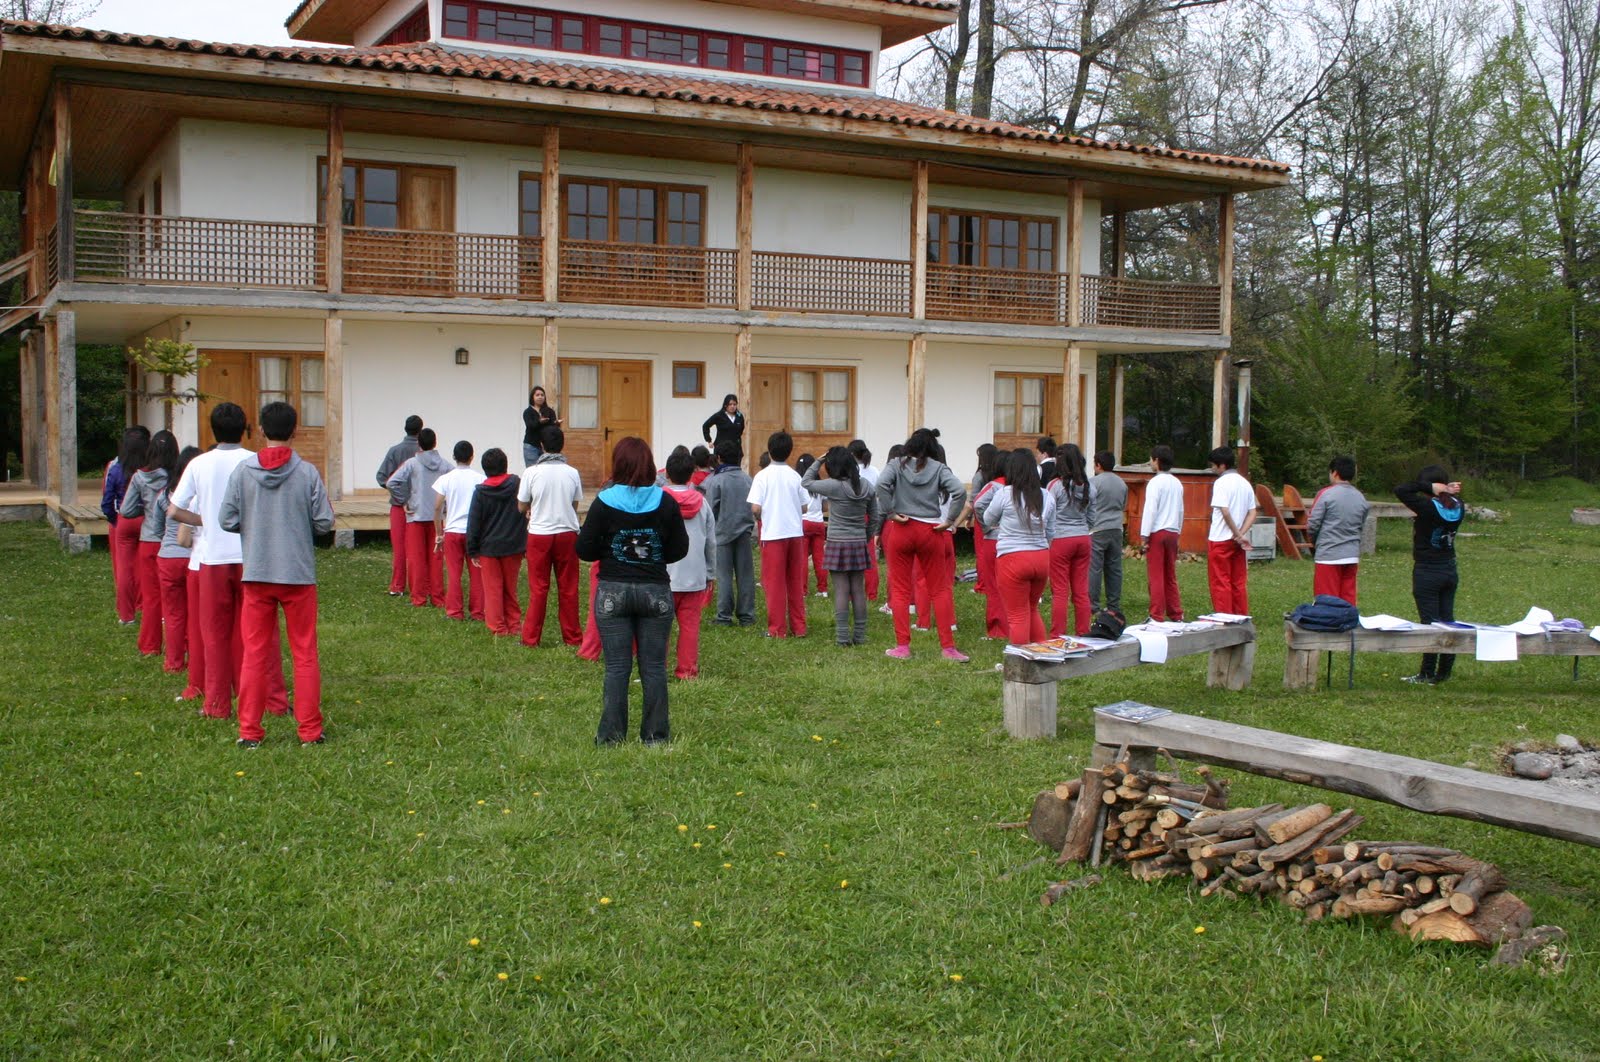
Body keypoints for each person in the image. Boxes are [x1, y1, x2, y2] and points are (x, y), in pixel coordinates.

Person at [219, 401, 334, 748]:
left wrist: (254, 526)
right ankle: (309, 730)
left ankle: (249, 731)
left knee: (255, 653)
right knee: (304, 652)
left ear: (260, 430)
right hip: (297, 573)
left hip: (257, 571)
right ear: (294, 431)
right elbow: (324, 521)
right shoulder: (307, 473)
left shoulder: (243, 472)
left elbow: (227, 519)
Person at [168, 403, 287, 721]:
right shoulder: (255, 461)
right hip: (251, 557)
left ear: (213, 430)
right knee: (263, 632)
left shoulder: (198, 464)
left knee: (214, 635)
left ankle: (217, 704)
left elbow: (175, 509)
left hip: (212, 559)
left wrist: (206, 520)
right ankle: (273, 699)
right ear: (246, 429)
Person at [576, 437, 689, 745]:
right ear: (650, 465)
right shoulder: (665, 502)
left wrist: (609, 551)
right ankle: (655, 736)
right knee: (654, 668)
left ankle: (611, 737)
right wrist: (654, 555)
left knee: (616, 667)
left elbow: (584, 549)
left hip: (613, 591)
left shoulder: (604, 501)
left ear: (618, 464)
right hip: (655, 591)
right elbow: (679, 548)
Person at [876, 428, 967, 661]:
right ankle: (948, 648)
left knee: (900, 589)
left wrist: (890, 513)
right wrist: (950, 520)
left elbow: (881, 485)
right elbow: (959, 491)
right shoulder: (939, 468)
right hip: (930, 530)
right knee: (940, 589)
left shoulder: (896, 464)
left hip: (902, 528)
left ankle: (902, 647)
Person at [802, 446, 880, 646]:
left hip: (837, 543)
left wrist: (819, 460)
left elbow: (806, 481)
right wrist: (866, 536)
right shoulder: (866, 486)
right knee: (858, 589)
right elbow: (874, 517)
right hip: (858, 541)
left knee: (841, 589)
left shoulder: (833, 486)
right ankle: (860, 636)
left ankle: (842, 637)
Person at [1396, 465, 1464, 685]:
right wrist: (1443, 490)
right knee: (1447, 621)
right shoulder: (1458, 505)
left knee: (1430, 624)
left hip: (1427, 571)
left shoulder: (1426, 506)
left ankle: (1426, 673)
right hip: (1449, 569)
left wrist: (1428, 487)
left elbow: (1401, 489)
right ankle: (1444, 672)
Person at [981, 449, 1056, 645]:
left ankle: (1019, 660)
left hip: (1012, 557)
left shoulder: (1005, 493)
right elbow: (1051, 531)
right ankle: (1041, 655)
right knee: (1032, 608)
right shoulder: (1046, 495)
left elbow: (987, 518)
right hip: (1041, 557)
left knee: (1017, 615)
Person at [518, 425, 584, 647]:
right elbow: (574, 504)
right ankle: (573, 637)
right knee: (568, 588)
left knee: (538, 588)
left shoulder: (531, 472)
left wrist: (532, 508)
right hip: (566, 532)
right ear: (562, 445)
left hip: (539, 533)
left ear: (541, 446)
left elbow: (521, 505)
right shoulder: (572, 472)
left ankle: (530, 638)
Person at [119, 429, 179, 657]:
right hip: (172, 542)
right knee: (176, 598)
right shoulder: (177, 477)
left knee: (151, 596)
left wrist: (144, 510)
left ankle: (150, 645)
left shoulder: (140, 477)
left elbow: (126, 510)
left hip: (148, 541)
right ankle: (179, 644)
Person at [747, 431, 808, 638]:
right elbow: (805, 507)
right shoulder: (795, 476)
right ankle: (799, 627)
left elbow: (755, 508)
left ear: (770, 450)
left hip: (773, 534)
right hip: (795, 533)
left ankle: (777, 629)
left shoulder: (762, 476)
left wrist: (762, 516)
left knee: (774, 583)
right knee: (794, 581)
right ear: (789, 451)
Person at [663, 447, 717, 678]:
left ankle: (657, 667)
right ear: (692, 474)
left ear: (666, 473)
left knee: (659, 627)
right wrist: (710, 572)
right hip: (694, 575)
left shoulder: (658, 501)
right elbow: (711, 542)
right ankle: (687, 670)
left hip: (663, 575)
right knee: (690, 626)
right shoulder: (702, 503)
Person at [148, 444, 200, 678]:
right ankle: (196, 657)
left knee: (173, 613)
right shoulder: (200, 494)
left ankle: (173, 661)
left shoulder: (165, 495)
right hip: (193, 558)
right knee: (195, 612)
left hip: (168, 558)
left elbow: (157, 527)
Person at [386, 428, 451, 609]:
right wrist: (446, 504)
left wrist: (404, 500)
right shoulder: (445, 465)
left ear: (419, 444)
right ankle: (438, 597)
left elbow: (391, 482)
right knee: (436, 558)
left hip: (416, 515)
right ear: (435, 443)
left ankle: (419, 597)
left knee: (416, 559)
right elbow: (454, 481)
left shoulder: (412, 463)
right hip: (436, 517)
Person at [465, 449, 525, 637]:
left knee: (492, 589)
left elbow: (474, 522)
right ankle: (514, 624)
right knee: (510, 588)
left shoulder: (480, 492)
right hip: (513, 545)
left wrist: (472, 549)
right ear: (505, 464)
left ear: (484, 468)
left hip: (489, 547)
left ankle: (498, 627)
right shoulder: (517, 484)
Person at [704, 439, 756, 627]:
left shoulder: (716, 481)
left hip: (722, 533)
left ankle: (724, 616)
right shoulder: (748, 479)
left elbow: (710, 510)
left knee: (724, 575)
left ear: (718, 458)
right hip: (744, 532)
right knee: (746, 575)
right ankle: (747, 615)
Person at [432, 440, 486, 622]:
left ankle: (454, 611)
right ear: (472, 457)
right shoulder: (480, 479)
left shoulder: (446, 479)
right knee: (477, 573)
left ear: (454, 457)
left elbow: (437, 507)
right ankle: (478, 611)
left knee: (454, 573)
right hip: (473, 530)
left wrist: (439, 532)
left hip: (453, 530)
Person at [958, 444, 1007, 640]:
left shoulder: (990, 483)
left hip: (992, 534)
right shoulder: (1023, 487)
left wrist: (987, 525)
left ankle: (997, 629)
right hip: (1017, 540)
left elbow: (976, 503)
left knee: (993, 583)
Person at [1047, 443, 1096, 637]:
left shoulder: (1055, 486)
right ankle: (1083, 631)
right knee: (1081, 590)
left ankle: (1057, 635)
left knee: (1060, 591)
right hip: (1083, 538)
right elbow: (1092, 517)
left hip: (1060, 539)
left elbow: (1047, 514)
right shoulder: (1088, 486)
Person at [104, 426, 151, 625]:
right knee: (148, 567)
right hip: (148, 520)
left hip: (124, 520)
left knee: (124, 569)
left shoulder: (116, 467)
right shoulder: (151, 468)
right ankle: (150, 609)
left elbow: (107, 500)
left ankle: (126, 615)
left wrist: (115, 521)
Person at [1307, 455, 1369, 605]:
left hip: (1328, 554)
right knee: (1347, 599)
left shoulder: (1326, 494)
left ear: (1334, 473)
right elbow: (1361, 525)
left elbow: (1313, 524)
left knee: (1326, 600)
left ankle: (1328, 620)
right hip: (1351, 554)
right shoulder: (1360, 497)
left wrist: (1315, 543)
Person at [1205, 446, 1257, 615]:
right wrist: (1241, 534)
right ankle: (1241, 616)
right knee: (1238, 581)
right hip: (1237, 541)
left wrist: (1236, 533)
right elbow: (1252, 512)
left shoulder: (1221, 483)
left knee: (1221, 581)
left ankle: (1224, 617)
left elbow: (1225, 511)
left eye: (1213, 465)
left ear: (1222, 465)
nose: (1212, 469)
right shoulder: (1245, 483)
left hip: (1220, 538)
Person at [376, 414, 422, 597]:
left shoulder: (394, 451)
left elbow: (382, 477)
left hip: (398, 506)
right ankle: (419, 585)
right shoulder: (423, 453)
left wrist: (400, 496)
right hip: (419, 507)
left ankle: (398, 585)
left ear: (406, 429)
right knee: (419, 548)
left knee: (399, 548)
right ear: (420, 431)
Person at [1139, 444, 1184, 622]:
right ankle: (1176, 613)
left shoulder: (1155, 482)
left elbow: (1150, 510)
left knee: (1156, 574)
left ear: (1156, 461)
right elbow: (1181, 510)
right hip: (1173, 530)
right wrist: (1178, 531)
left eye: (1151, 459)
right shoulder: (1177, 483)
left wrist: (1144, 535)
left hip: (1157, 531)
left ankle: (1156, 614)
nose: (1150, 463)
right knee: (1170, 574)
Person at [1088, 450, 1128, 615]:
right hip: (1116, 528)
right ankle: (1113, 605)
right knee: (1114, 568)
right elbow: (1123, 505)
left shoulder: (1093, 482)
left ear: (1098, 465)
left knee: (1095, 568)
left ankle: (1093, 605)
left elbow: (1088, 505)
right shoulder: (1122, 483)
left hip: (1098, 528)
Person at [849, 439, 883, 601]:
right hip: (869, 514)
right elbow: (879, 493)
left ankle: (850, 593)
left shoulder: (849, 471)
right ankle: (872, 593)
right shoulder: (874, 471)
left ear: (851, 454)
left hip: (852, 516)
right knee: (870, 556)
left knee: (850, 556)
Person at [796, 453, 829, 597]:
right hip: (818, 523)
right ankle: (823, 589)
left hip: (803, 523)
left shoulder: (798, 483)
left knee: (802, 558)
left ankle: (802, 590)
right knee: (819, 557)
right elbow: (825, 507)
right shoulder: (819, 484)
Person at [522, 386, 560, 467]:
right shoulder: (528, 412)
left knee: (546, 469)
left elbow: (553, 428)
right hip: (531, 446)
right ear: (532, 397)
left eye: (542, 395)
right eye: (537, 395)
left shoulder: (549, 411)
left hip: (547, 447)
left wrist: (556, 423)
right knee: (533, 470)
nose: (540, 397)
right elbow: (530, 425)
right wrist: (540, 422)